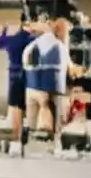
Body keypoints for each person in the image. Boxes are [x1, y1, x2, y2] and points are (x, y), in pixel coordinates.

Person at [22, 16, 72, 157]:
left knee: (32, 127)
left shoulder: (32, 46)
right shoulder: (59, 46)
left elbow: (26, 64)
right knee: (56, 129)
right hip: (52, 90)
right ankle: (55, 148)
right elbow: (68, 70)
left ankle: (30, 151)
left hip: (31, 89)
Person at [0, 20, 39, 155]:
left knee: (15, 110)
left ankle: (16, 143)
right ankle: (32, 143)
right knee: (32, 110)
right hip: (31, 79)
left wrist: (3, 31)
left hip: (14, 78)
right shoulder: (33, 39)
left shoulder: (12, 40)